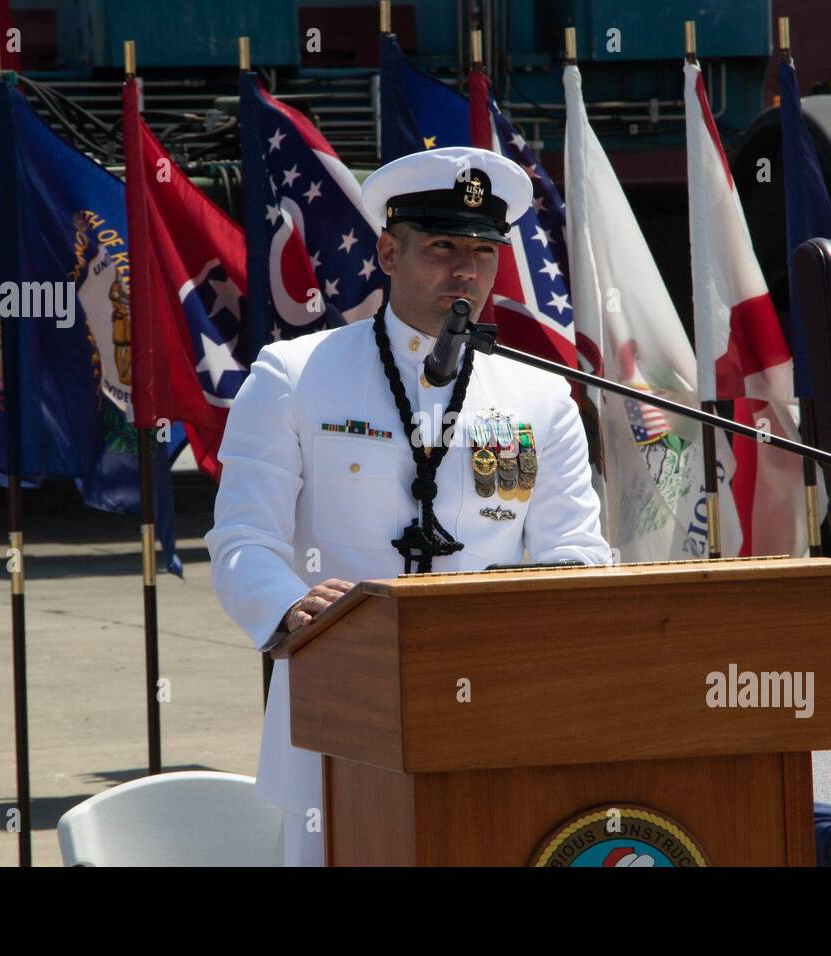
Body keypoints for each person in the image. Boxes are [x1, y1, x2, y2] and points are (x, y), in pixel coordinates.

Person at [206, 146, 612, 865]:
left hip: (493, 698)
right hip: (337, 704)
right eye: (442, 247)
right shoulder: (295, 375)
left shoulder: (540, 398)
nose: (465, 270)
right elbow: (242, 537)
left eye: (483, 252)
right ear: (388, 253)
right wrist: (291, 609)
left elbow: (575, 549)